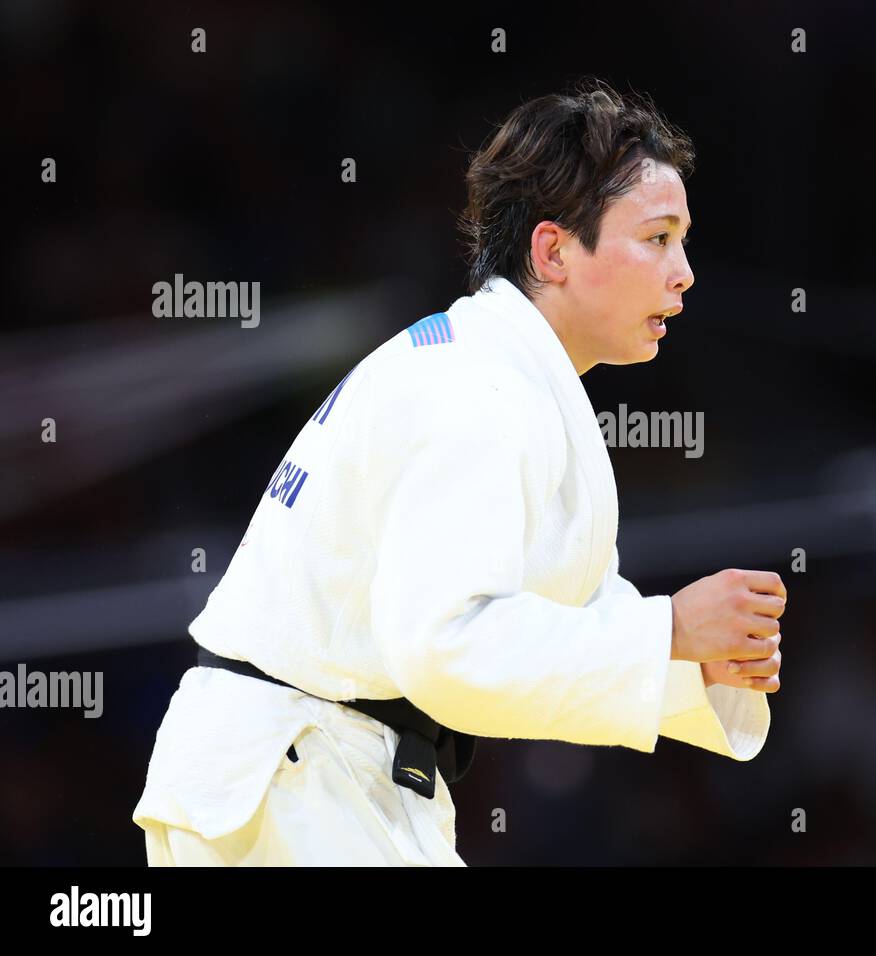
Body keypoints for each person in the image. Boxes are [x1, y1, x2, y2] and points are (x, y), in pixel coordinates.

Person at [133, 78, 786, 866]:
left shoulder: (490, 368)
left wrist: (690, 655)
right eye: (656, 238)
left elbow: (546, 616)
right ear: (553, 250)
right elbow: (447, 645)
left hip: (302, 780)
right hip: (297, 780)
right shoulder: (479, 389)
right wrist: (670, 631)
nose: (683, 272)